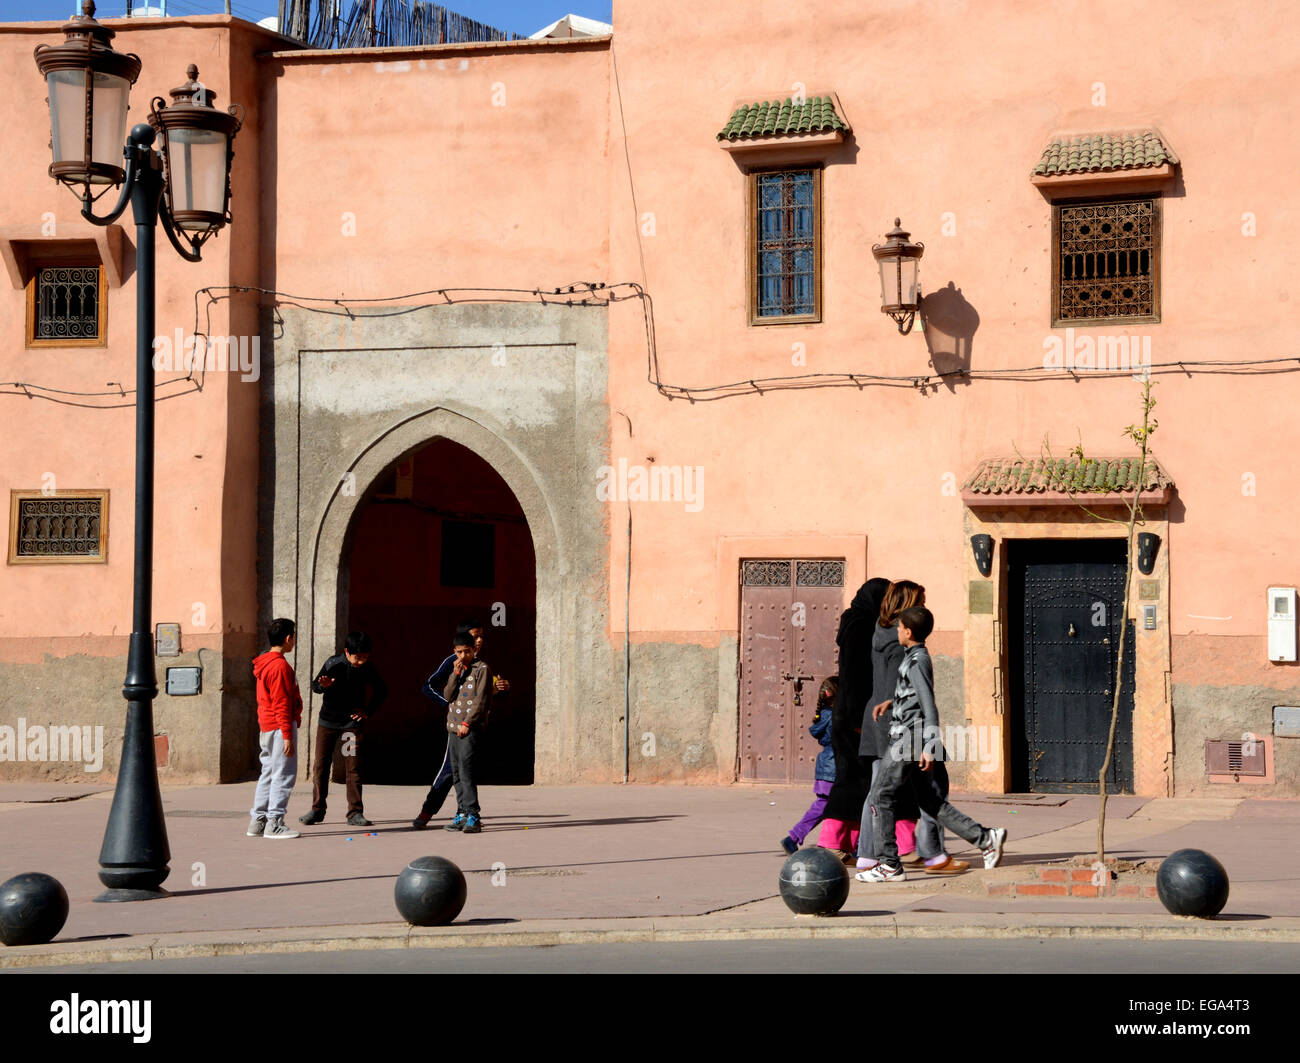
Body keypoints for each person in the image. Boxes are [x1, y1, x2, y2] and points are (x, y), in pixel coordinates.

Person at [857, 606, 1007, 882]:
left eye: (900, 627)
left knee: (880, 796)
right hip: (909, 737)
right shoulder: (912, 657)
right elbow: (914, 695)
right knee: (930, 802)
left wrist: (929, 746)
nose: (897, 631)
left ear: (908, 632)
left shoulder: (917, 661)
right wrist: (894, 702)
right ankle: (985, 838)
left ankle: (889, 864)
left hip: (908, 740)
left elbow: (929, 707)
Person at [858, 580, 967, 874]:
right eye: (920, 602)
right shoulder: (902, 645)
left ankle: (868, 855)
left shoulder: (881, 632)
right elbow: (912, 694)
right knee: (932, 784)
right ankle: (933, 856)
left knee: (878, 791)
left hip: (881, 720)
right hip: (903, 725)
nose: (924, 607)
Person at [817, 578, 890, 862]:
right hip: (853, 716)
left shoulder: (857, 622)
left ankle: (847, 844)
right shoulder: (861, 627)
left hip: (851, 714)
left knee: (859, 781)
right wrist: (861, 718)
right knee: (850, 780)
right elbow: (857, 676)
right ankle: (830, 842)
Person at [412, 621, 511, 829]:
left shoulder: (481, 665)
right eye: (475, 636)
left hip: (469, 725)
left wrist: (501, 688)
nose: (480, 640)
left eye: (481, 636)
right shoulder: (454, 660)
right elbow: (431, 686)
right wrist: (449, 704)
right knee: (451, 770)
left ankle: (467, 813)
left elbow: (481, 695)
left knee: (463, 771)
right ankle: (429, 811)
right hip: (455, 726)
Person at [299, 630, 388, 828]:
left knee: (353, 767)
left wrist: (367, 711)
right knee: (321, 766)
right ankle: (317, 810)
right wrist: (325, 685)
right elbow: (315, 686)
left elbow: (382, 690)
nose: (361, 661)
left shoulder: (368, 668)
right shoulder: (334, 664)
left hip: (350, 725)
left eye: (365, 657)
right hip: (328, 723)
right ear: (347, 652)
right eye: (358, 657)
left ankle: (355, 812)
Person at [249, 618, 302, 840]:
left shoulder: (264, 663)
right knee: (283, 774)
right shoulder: (280, 666)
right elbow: (281, 702)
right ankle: (274, 822)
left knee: (269, 772)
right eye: (294, 637)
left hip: (267, 726)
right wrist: (288, 736)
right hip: (280, 727)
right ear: (288, 638)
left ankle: (258, 821)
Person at [442, 629, 493, 833]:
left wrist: (468, 723)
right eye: (460, 652)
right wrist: (455, 674)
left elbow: (482, 700)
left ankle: (473, 815)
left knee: (466, 771)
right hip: (453, 728)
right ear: (454, 651)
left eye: (468, 651)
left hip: (468, 729)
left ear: (474, 650)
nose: (464, 656)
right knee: (456, 772)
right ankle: (461, 813)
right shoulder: (457, 669)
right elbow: (447, 695)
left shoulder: (482, 669)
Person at [781, 676, 838, 855]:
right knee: (834, 807)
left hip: (825, 767)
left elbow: (817, 732)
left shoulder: (824, 715)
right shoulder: (834, 715)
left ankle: (794, 838)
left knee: (824, 806)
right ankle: (793, 838)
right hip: (833, 768)